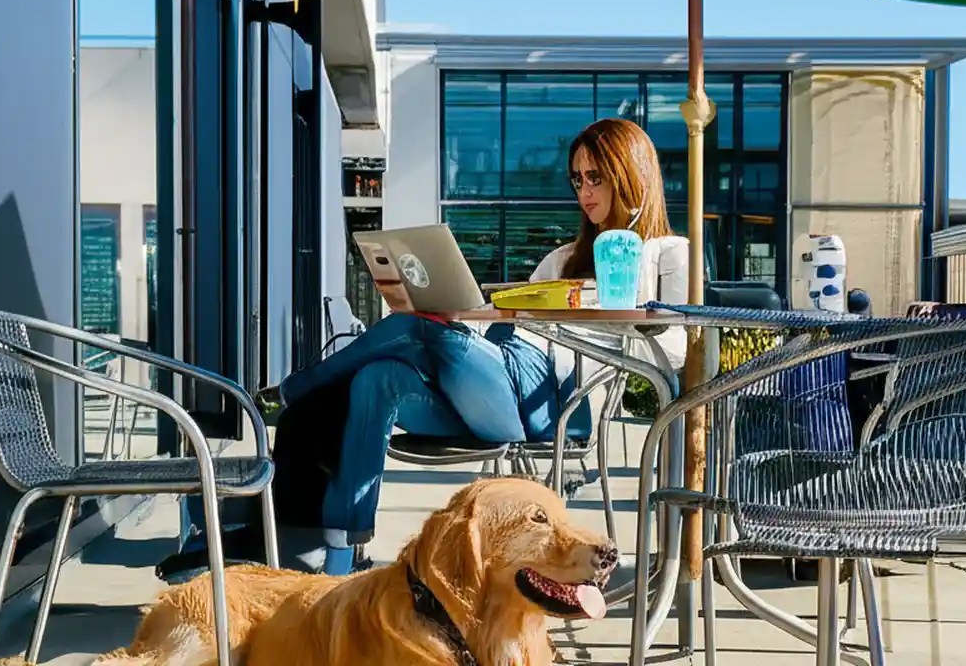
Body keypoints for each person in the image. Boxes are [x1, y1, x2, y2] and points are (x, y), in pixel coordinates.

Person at [170, 118, 688, 580]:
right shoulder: (561, 259)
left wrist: (628, 276)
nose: (584, 191)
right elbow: (516, 328)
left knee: (418, 325)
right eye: (577, 178)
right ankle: (341, 553)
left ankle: (295, 389)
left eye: (595, 176)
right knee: (382, 377)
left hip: (555, 403)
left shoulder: (667, 254)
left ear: (631, 176)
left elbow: (676, 348)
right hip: (499, 376)